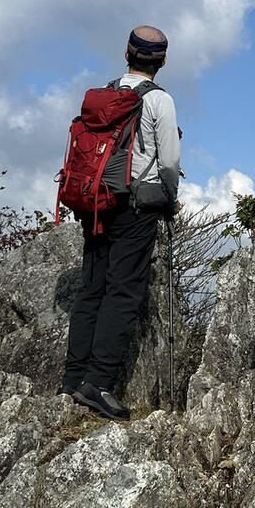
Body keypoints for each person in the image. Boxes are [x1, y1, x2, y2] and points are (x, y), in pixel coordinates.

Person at [61, 25, 181, 420]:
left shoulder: (107, 94)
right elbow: (169, 162)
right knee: (123, 292)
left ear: (126, 53)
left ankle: (72, 378)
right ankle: (98, 383)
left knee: (92, 288)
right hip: (135, 206)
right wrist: (170, 200)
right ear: (161, 60)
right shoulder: (160, 102)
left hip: (96, 201)